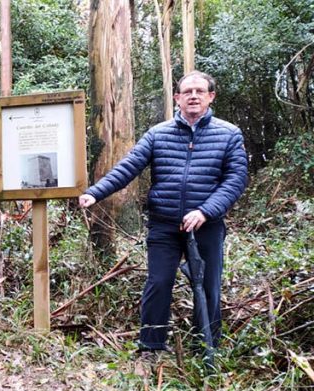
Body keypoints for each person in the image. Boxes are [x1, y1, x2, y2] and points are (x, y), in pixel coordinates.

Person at [78, 71, 249, 355]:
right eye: (187, 92)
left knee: (208, 286)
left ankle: (206, 347)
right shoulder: (158, 134)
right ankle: (151, 346)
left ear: (210, 96)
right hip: (164, 225)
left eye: (199, 91)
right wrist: (95, 192)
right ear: (177, 98)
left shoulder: (229, 134)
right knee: (158, 283)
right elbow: (129, 166)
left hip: (207, 225)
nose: (193, 96)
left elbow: (235, 179)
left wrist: (205, 211)